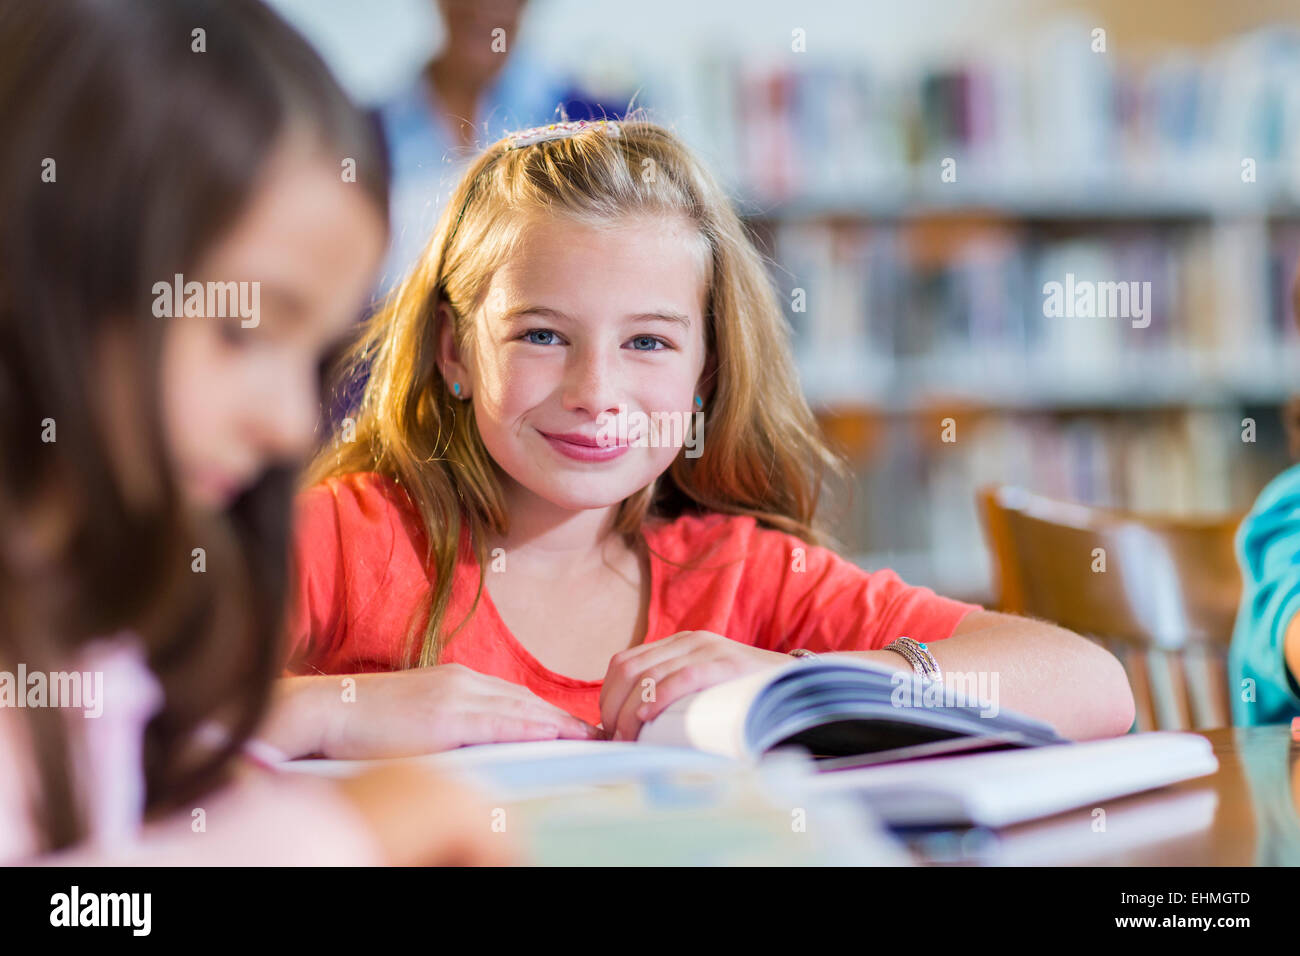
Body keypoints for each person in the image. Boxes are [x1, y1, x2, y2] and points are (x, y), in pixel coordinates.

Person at [266, 116, 1136, 759]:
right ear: (456, 353)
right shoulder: (348, 539)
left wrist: (800, 682)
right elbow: (133, 713)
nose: (595, 393)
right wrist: (334, 708)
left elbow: (1093, 685)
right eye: (541, 335)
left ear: (706, 374)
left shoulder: (742, 576)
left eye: (647, 342)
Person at [0, 0, 510, 865]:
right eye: (240, 332)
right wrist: (344, 832)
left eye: (312, 354)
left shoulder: (90, 616)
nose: (287, 425)